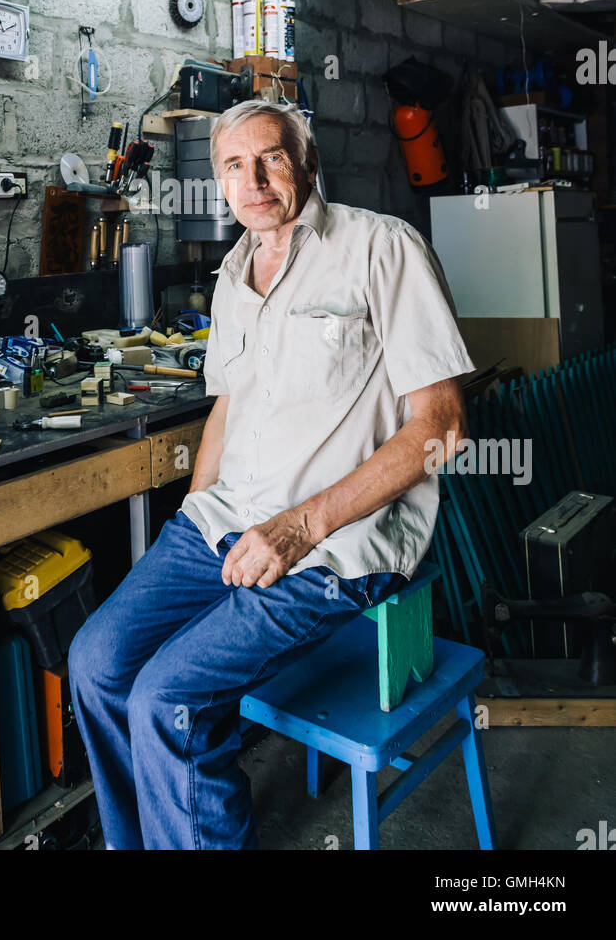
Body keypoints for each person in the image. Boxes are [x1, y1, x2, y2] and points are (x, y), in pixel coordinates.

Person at [69, 98, 474, 850]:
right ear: (218, 181)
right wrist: (192, 516)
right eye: (233, 165)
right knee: (95, 663)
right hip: (226, 521)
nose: (252, 179)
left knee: (167, 697)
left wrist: (297, 528)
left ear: (307, 162)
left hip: (334, 542)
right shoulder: (231, 276)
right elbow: (229, 402)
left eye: (271, 158)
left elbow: (441, 429)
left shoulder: (381, 246)